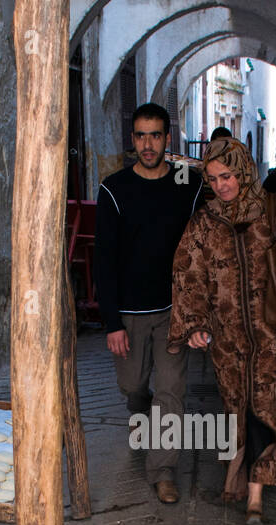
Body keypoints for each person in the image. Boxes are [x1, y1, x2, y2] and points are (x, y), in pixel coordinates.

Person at [168, 138, 276, 525]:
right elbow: (188, 272)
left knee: (265, 405)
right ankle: (237, 468)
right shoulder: (204, 221)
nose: (222, 185)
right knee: (235, 404)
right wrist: (194, 324)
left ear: (243, 170)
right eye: (213, 178)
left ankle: (256, 492)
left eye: (227, 175)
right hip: (226, 335)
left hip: (268, 329)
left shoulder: (275, 210)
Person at [96, 103, 203, 504]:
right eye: (140, 135)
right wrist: (111, 323)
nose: (148, 144)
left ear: (167, 139)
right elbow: (104, 259)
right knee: (134, 386)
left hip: (175, 312)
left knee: (171, 391)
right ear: (132, 139)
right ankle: (141, 422)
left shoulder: (187, 186)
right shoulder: (114, 188)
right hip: (129, 313)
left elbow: (205, 244)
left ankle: (163, 470)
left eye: (155, 135)